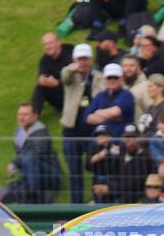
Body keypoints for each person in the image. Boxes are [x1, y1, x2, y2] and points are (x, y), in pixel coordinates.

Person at [60, 42, 105, 202]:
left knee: (96, 168)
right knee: (74, 172)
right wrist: (74, 68)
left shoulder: (99, 77)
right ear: (74, 60)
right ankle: (76, 207)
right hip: (71, 130)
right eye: (80, 59)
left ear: (91, 59)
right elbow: (65, 75)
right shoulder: (71, 75)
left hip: (92, 130)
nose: (83, 62)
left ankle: (96, 203)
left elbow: (101, 94)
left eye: (86, 58)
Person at [82, 62, 136, 138]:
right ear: (104, 79)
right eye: (109, 77)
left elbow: (114, 112)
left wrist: (97, 111)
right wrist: (111, 116)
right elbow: (86, 118)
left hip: (120, 142)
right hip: (99, 142)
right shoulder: (100, 96)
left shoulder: (127, 95)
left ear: (122, 78)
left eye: (115, 77)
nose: (112, 80)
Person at [30, 32, 68, 113]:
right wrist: (42, 80)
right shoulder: (44, 60)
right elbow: (41, 76)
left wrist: (58, 83)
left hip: (74, 95)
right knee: (40, 86)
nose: (48, 47)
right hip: (60, 96)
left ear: (58, 43)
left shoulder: (70, 52)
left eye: (50, 43)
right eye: (45, 44)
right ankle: (32, 115)